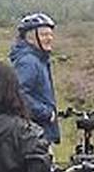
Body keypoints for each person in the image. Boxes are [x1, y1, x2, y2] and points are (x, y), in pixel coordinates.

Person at [10, 12, 60, 144]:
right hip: (34, 134)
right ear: (30, 38)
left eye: (50, 34)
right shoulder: (29, 62)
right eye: (43, 34)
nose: (49, 38)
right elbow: (17, 94)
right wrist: (46, 113)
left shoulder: (39, 59)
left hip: (38, 131)